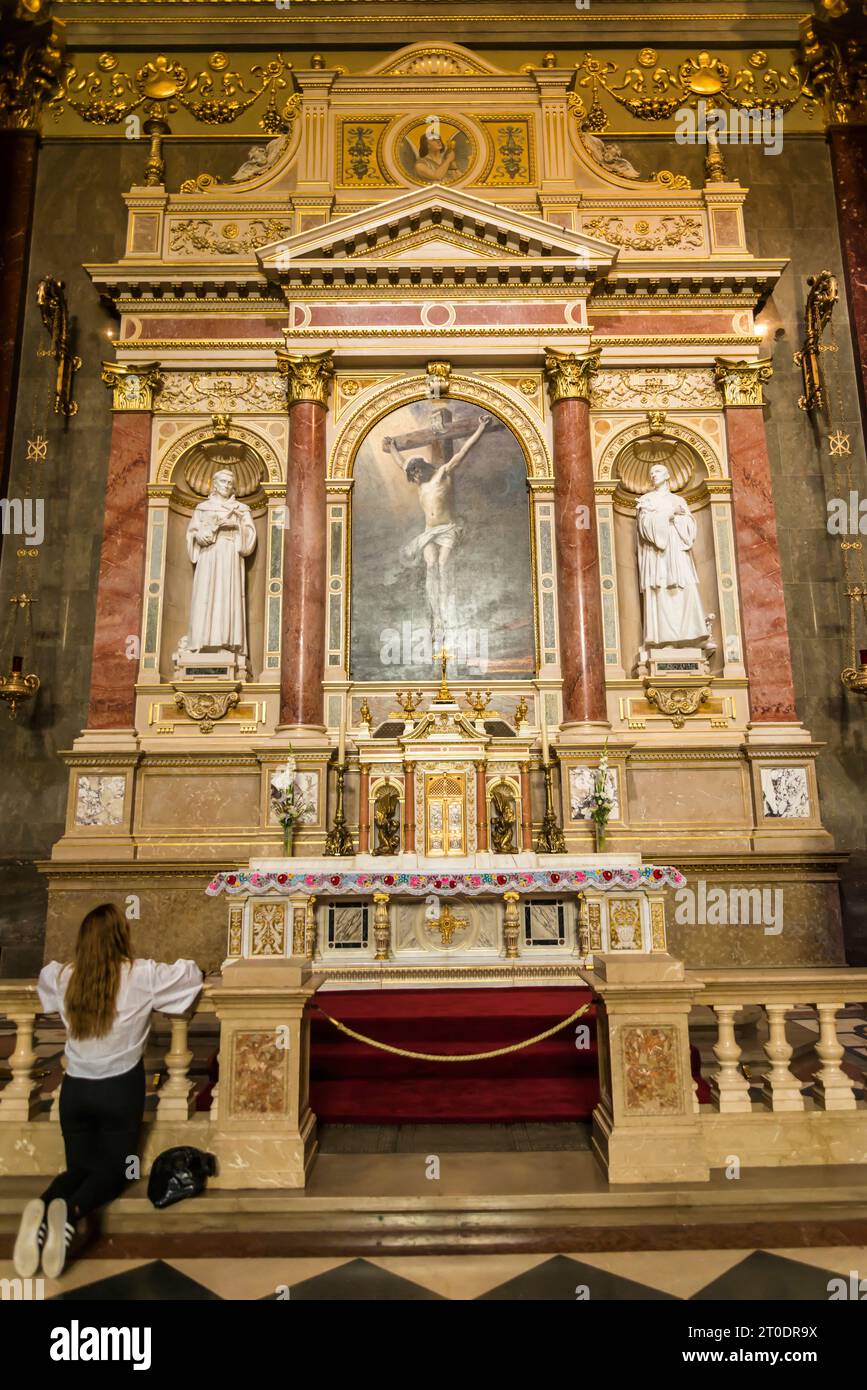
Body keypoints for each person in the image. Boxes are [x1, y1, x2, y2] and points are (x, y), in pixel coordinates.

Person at [13, 904, 202, 1280]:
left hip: (75, 1092)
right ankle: (72, 1212)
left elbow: (44, 984)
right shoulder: (141, 975)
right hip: (118, 1090)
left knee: (79, 1167)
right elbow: (189, 976)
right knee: (116, 1171)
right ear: (122, 938)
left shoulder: (65, 976)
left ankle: (45, 1203)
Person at [384, 413, 491, 641]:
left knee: (443, 566)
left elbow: (463, 452)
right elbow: (401, 463)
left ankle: (449, 615)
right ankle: (436, 620)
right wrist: (393, 446)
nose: (414, 478)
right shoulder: (419, 481)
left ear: (423, 468)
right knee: (431, 567)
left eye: (416, 473)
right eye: (412, 476)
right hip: (429, 531)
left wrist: (480, 428)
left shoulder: (442, 473)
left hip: (448, 529)